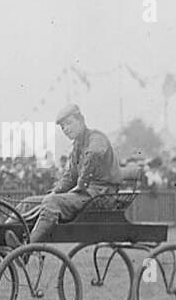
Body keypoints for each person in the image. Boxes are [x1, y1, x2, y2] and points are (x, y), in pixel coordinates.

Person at [16, 104, 120, 244]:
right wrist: (54, 192)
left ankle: (24, 250)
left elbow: (93, 155)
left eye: (69, 123)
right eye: (63, 127)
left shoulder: (96, 138)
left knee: (51, 203)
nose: (66, 129)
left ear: (81, 120)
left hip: (100, 197)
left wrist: (80, 185)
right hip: (85, 196)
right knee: (28, 202)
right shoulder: (77, 146)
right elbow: (70, 176)